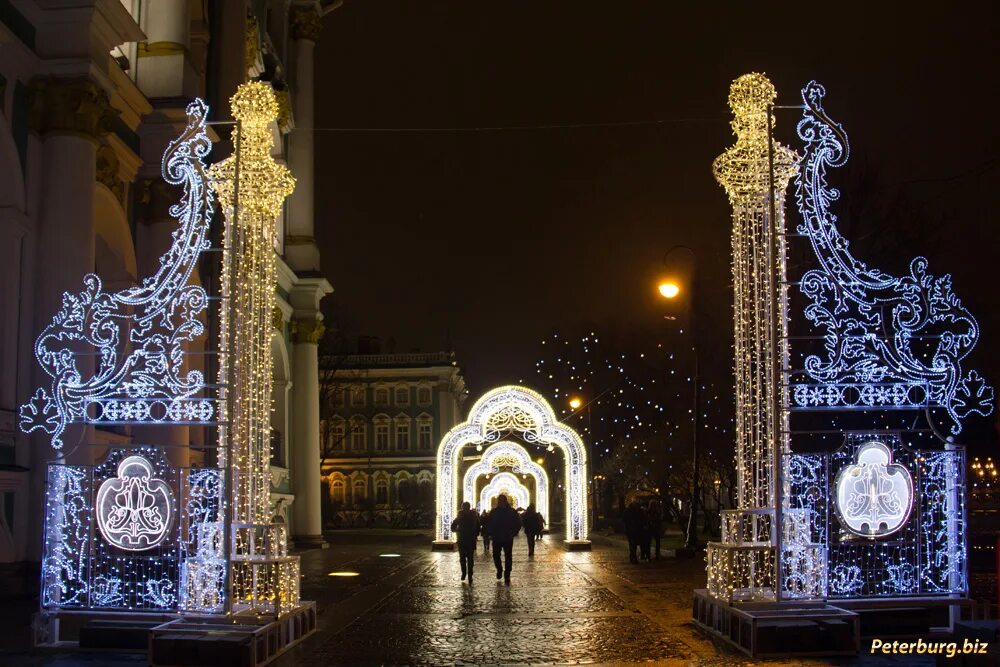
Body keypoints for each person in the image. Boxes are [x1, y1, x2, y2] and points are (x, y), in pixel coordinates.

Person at [488, 494, 522, 585]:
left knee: (508, 556)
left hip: (507, 537)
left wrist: (513, 532)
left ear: (505, 501)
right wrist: (491, 533)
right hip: (497, 537)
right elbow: (489, 523)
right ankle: (499, 569)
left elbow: (518, 523)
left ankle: (507, 574)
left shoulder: (511, 511)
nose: (500, 502)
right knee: (496, 555)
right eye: (499, 501)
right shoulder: (494, 512)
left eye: (501, 500)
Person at [450, 501, 480, 582]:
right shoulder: (471, 515)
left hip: (464, 539)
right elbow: (478, 527)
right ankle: (468, 574)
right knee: (467, 558)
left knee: (464, 558)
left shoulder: (467, 515)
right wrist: (475, 534)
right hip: (467, 539)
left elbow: (453, 527)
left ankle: (466, 573)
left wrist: (457, 530)